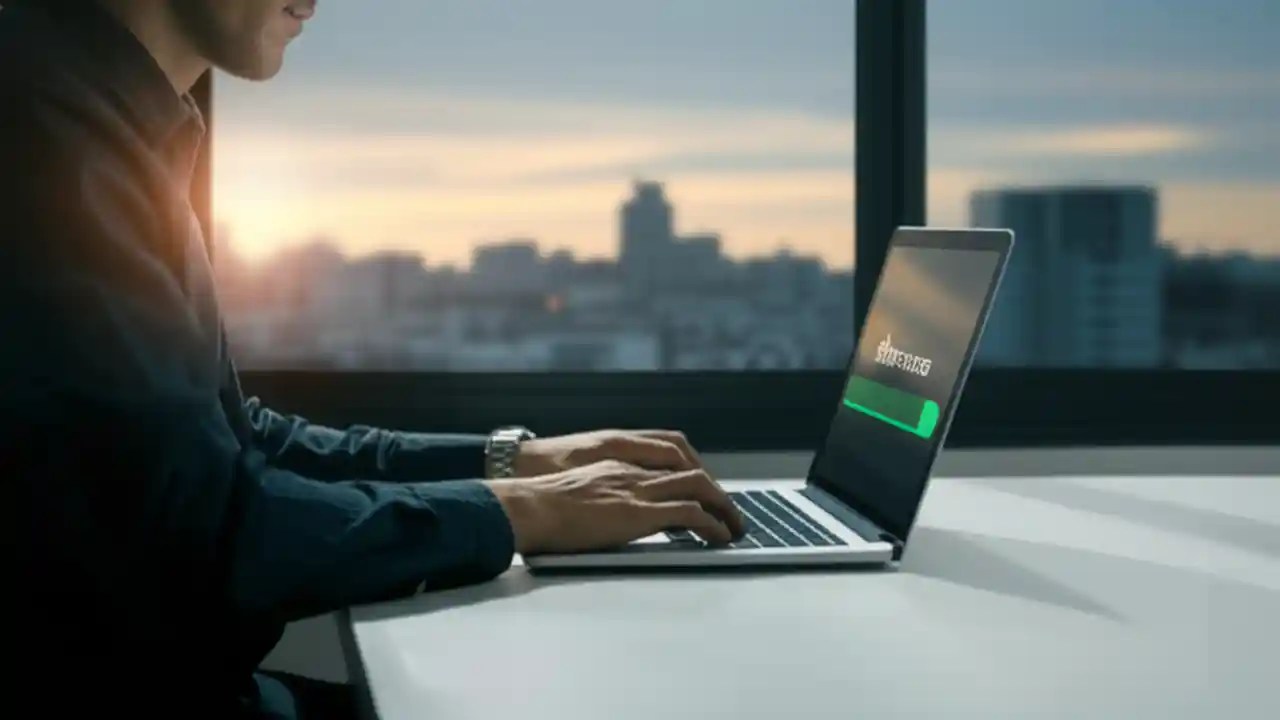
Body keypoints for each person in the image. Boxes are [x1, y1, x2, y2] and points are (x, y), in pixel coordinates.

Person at [0, 1, 746, 717]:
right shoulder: (42, 142)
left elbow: (231, 444)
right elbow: (210, 534)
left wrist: (509, 464)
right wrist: (525, 511)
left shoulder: (102, 117)